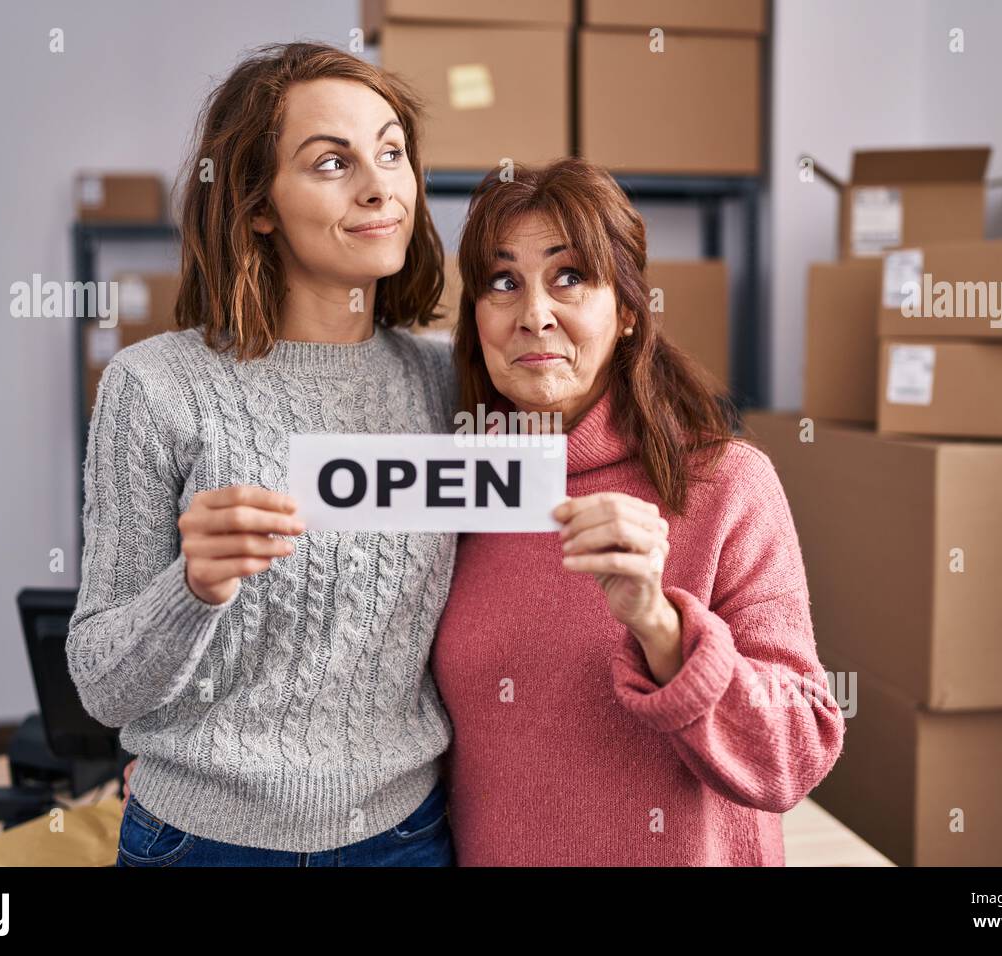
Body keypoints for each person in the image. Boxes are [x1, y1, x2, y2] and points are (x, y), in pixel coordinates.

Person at [67, 42, 459, 866]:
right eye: (331, 163)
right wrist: (192, 587)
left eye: (392, 153)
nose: (379, 185)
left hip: (405, 837)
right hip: (203, 842)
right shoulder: (155, 386)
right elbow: (102, 685)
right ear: (256, 207)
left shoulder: (447, 380)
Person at [430, 157, 847, 866]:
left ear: (627, 312)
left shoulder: (726, 483)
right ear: (476, 317)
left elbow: (795, 754)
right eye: (504, 282)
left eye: (570, 277)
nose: (534, 314)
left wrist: (662, 626)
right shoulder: (454, 486)